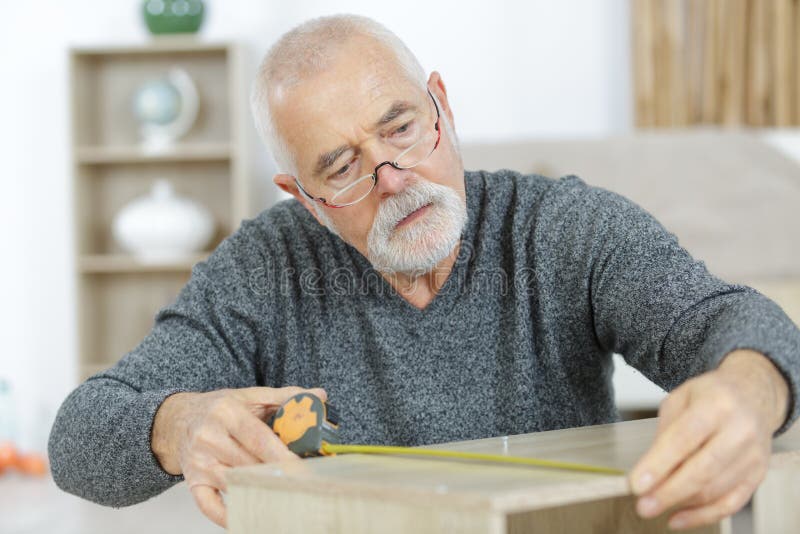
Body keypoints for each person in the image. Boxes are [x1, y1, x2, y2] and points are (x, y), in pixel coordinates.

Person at [49, 14, 800, 531]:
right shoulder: (262, 268)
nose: (392, 176)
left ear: (441, 104)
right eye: (341, 167)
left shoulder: (564, 227)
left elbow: (732, 323)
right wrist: (175, 426)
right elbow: (77, 437)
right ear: (304, 199)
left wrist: (749, 388)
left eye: (401, 127)